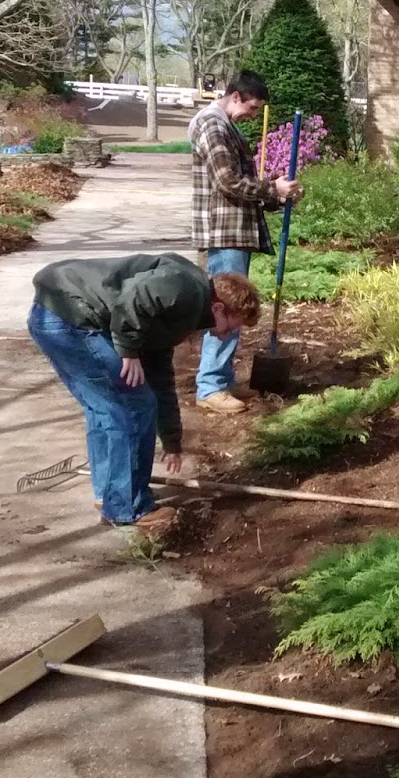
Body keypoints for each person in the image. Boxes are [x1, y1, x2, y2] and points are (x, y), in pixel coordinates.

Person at [28, 253, 262, 533]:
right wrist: (128, 351)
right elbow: (136, 297)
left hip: (53, 315)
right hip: (70, 317)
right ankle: (127, 507)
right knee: (133, 406)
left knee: (107, 408)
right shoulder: (185, 287)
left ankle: (110, 496)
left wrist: (173, 441)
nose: (225, 336)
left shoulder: (180, 315)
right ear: (218, 308)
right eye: (230, 328)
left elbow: (161, 379)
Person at [189, 71, 302, 414]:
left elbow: (238, 182)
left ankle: (220, 381)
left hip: (233, 230)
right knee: (225, 310)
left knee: (228, 310)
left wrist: (275, 192)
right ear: (236, 96)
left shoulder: (224, 125)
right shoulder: (213, 125)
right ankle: (210, 386)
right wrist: (271, 190)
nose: (253, 115)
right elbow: (228, 182)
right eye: (252, 107)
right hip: (225, 233)